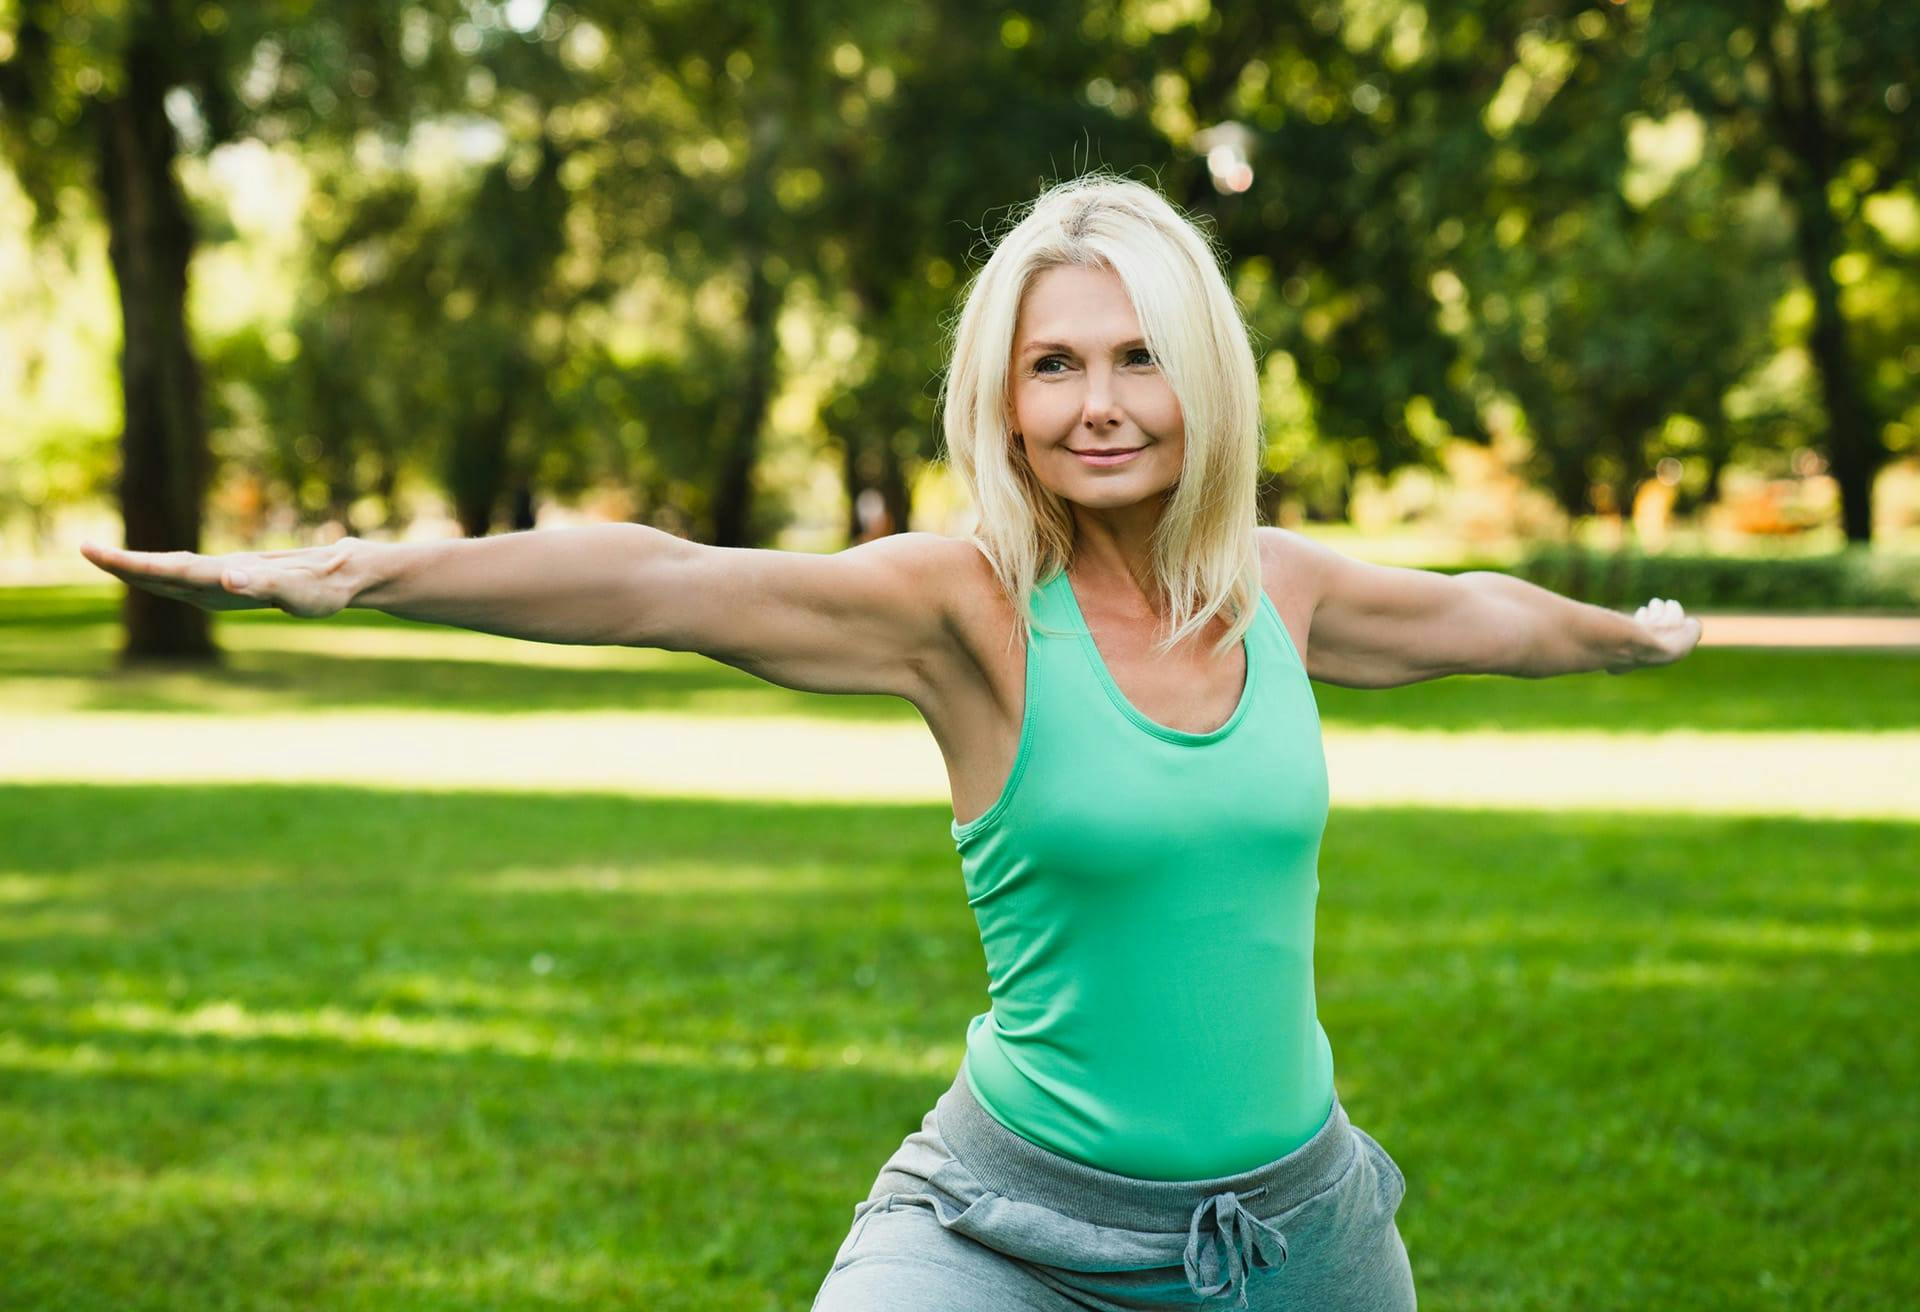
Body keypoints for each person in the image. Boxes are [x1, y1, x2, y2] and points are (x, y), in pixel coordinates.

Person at [81, 170, 1702, 1310]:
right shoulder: (967, 611)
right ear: (1002, 404)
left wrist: (1622, 636)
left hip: (1305, 1240)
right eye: (1052, 366)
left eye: (1139, 355)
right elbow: (667, 583)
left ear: (1204, 375)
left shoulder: (1284, 594)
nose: (1100, 404)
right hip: (1014, 1230)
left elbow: (1482, 616)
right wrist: (365, 572)